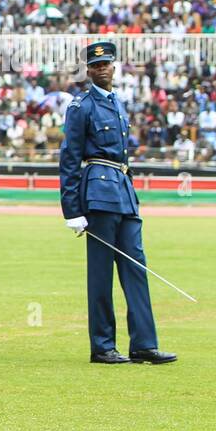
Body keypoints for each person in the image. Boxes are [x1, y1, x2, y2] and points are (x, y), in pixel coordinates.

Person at [59, 42, 174, 365]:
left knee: (136, 267)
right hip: (97, 194)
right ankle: (103, 345)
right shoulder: (82, 106)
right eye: (96, 66)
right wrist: (72, 210)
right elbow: (69, 158)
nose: (102, 69)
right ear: (89, 70)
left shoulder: (117, 103)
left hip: (123, 192)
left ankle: (144, 344)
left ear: (114, 66)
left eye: (106, 63)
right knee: (100, 274)